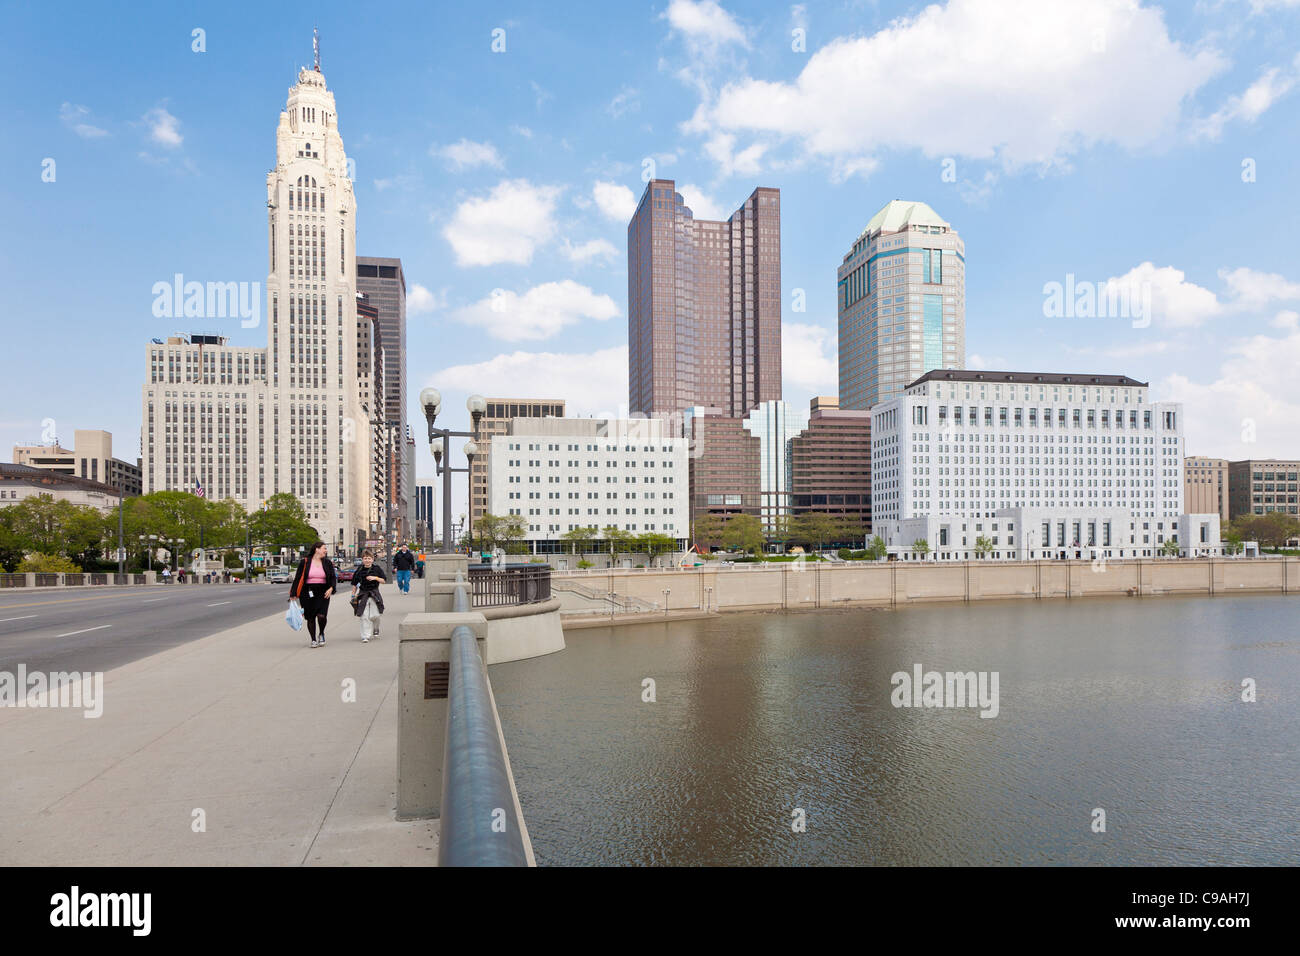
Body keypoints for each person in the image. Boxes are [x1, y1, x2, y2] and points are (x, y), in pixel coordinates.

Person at [290, 541, 336, 648]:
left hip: (323, 591)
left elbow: (333, 577)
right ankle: (313, 639)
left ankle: (321, 633)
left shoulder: (327, 562)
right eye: (324, 548)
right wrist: (293, 593)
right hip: (307, 592)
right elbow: (298, 578)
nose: (326, 550)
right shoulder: (305, 562)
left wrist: (331, 588)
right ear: (317, 549)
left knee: (321, 616)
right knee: (310, 617)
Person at [351, 549, 387, 642]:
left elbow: (383, 580)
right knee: (364, 616)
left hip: (374, 593)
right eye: (365, 558)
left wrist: (375, 578)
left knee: (375, 615)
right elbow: (354, 584)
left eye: (369, 558)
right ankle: (365, 636)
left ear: (372, 559)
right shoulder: (359, 570)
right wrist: (353, 595)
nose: (367, 560)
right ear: (362, 559)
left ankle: (376, 628)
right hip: (363, 594)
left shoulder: (377, 569)